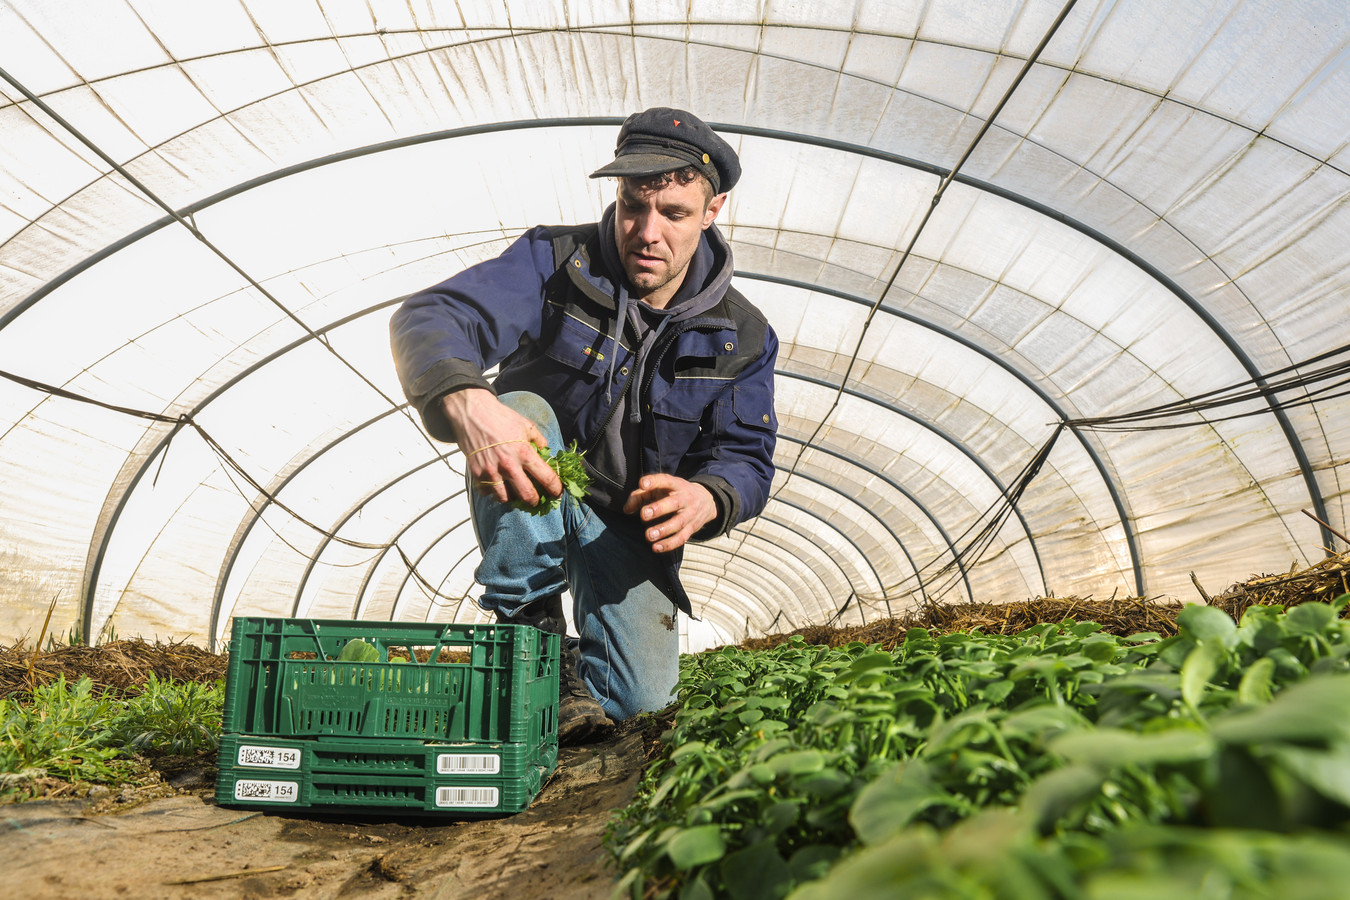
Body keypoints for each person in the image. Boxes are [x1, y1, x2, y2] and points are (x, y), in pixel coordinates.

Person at [389, 107, 779, 743]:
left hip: (625, 519)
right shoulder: (558, 262)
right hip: (536, 477)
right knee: (517, 410)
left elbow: (747, 456)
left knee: (641, 707)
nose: (645, 232)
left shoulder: (743, 334)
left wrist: (708, 495)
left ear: (712, 211)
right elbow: (430, 316)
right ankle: (530, 630)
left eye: (674, 214)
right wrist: (465, 398)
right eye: (632, 206)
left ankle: (574, 691)